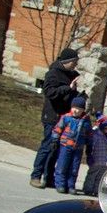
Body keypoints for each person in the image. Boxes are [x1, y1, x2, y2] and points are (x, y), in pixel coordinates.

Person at [30, 48, 83, 188]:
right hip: (52, 115)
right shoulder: (53, 73)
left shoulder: (72, 75)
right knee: (48, 146)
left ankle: (49, 178)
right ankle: (36, 176)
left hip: (64, 117)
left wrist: (80, 99)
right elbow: (49, 92)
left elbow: (71, 95)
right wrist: (68, 88)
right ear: (67, 61)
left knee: (57, 149)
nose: (75, 64)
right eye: (74, 61)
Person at [52, 97, 92, 194]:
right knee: (62, 165)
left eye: (79, 109)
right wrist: (54, 140)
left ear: (83, 110)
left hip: (78, 148)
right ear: (71, 107)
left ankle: (71, 185)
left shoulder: (86, 121)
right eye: (74, 108)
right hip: (66, 145)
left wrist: (89, 145)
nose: (76, 110)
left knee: (74, 168)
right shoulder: (66, 117)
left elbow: (89, 134)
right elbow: (58, 129)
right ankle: (60, 184)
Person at [81, 112, 107, 195]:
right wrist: (89, 156)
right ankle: (88, 189)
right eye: (106, 127)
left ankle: (96, 190)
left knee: (101, 177)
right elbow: (91, 146)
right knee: (92, 175)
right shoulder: (95, 135)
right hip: (96, 160)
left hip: (106, 161)